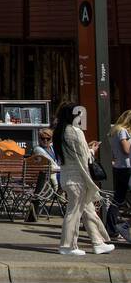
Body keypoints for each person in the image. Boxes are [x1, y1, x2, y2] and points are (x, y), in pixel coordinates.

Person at [52, 103, 115, 256]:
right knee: (74, 212)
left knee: (89, 211)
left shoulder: (59, 131)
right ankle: (67, 246)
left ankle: (98, 242)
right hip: (78, 178)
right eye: (79, 114)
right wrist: (92, 149)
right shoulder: (75, 131)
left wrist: (88, 149)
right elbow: (84, 157)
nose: (81, 118)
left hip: (68, 177)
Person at [109, 110, 131, 207]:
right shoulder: (122, 131)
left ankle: (111, 221)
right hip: (126, 166)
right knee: (119, 197)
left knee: (118, 197)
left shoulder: (115, 130)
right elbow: (126, 150)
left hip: (118, 166)